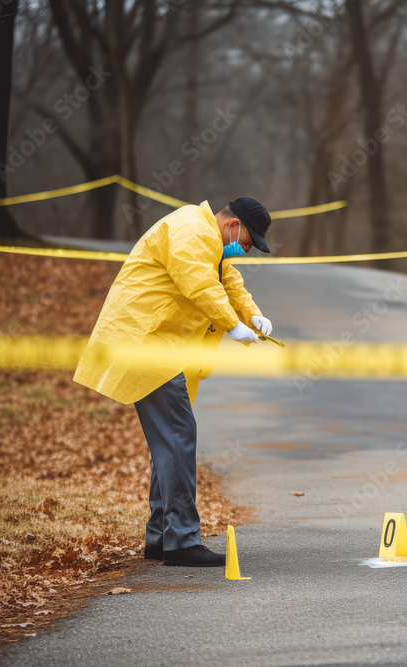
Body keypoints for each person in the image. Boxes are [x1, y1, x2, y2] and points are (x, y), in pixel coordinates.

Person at [74, 197, 276, 567]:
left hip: (160, 347)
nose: (244, 249)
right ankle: (181, 539)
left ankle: (162, 536)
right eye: (247, 241)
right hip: (147, 345)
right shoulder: (190, 231)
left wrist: (254, 315)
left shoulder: (210, 241)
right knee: (179, 438)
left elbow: (226, 280)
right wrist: (233, 326)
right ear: (233, 225)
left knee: (171, 440)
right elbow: (199, 285)